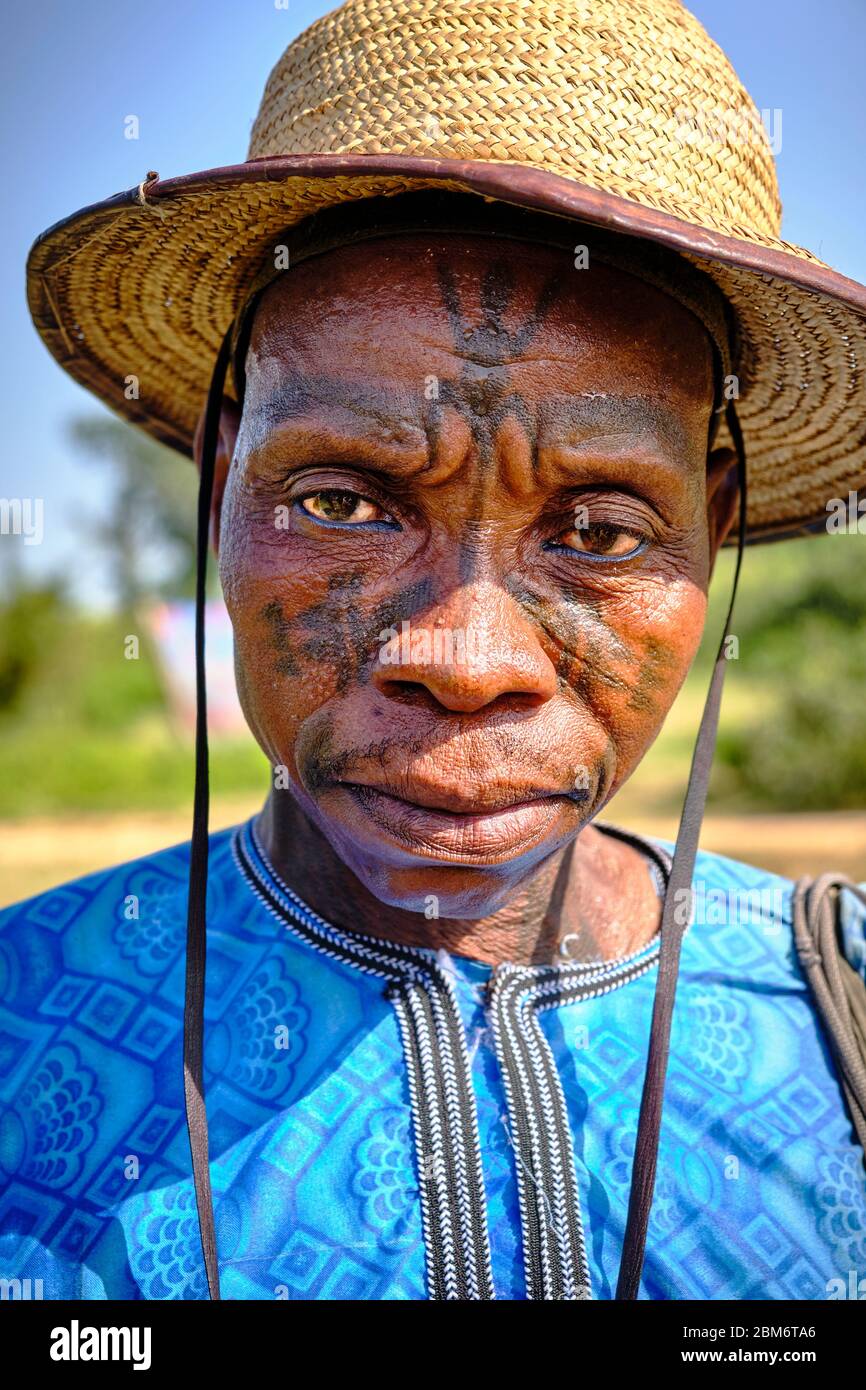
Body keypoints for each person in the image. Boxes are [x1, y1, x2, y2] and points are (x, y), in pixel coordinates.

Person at [4, 0, 865, 1300]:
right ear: (223, 473)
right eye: (342, 501)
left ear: (715, 526)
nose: (465, 658)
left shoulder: (840, 1014)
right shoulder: (20, 1032)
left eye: (597, 528)